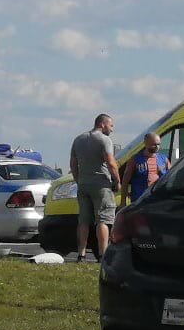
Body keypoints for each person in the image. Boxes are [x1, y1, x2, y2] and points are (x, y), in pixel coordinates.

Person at [70, 112, 121, 262]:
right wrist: (117, 180)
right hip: (101, 185)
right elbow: (111, 163)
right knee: (103, 219)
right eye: (111, 126)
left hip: (83, 184)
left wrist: (78, 179)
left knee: (83, 221)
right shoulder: (104, 140)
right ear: (103, 124)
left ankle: (81, 254)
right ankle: (103, 254)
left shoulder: (78, 139)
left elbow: (73, 164)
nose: (112, 129)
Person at [119, 132, 169, 205]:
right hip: (139, 200)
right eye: (154, 144)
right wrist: (123, 202)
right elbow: (125, 181)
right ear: (146, 143)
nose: (157, 147)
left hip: (157, 200)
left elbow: (172, 175)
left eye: (158, 144)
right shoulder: (135, 159)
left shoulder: (163, 159)